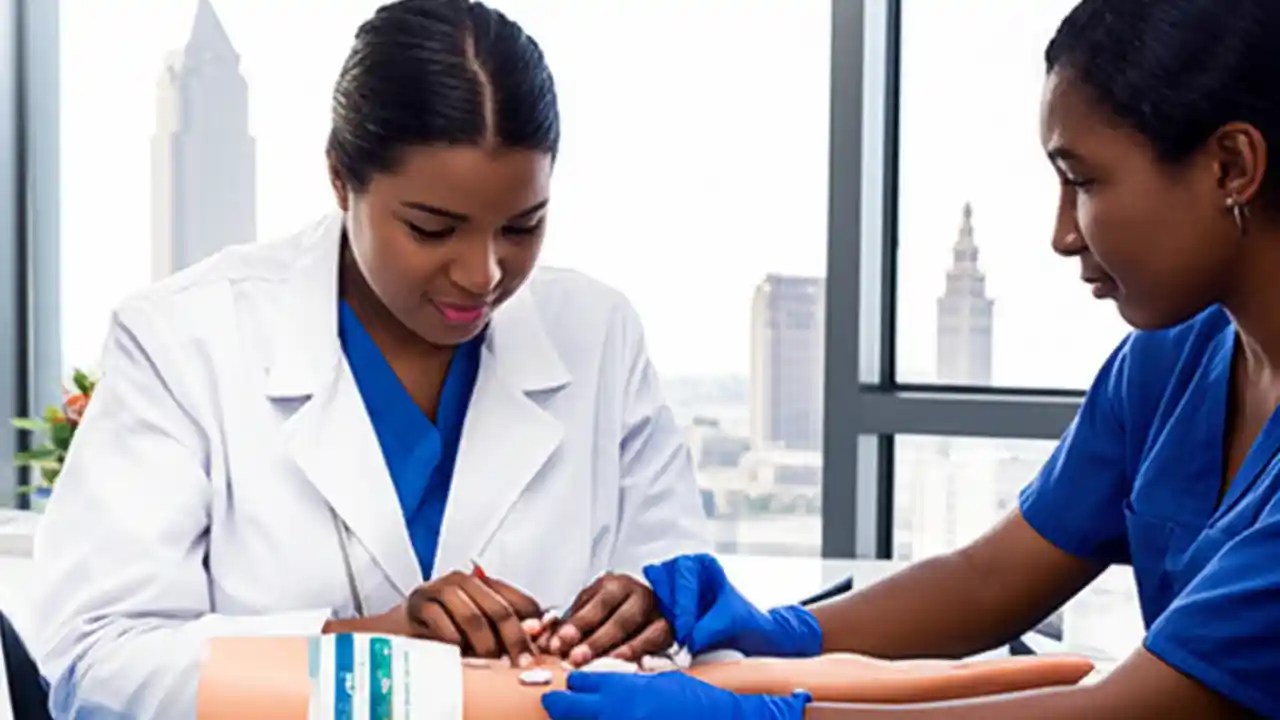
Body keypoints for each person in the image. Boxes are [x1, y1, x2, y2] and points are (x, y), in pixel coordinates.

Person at [543, 0, 1280, 718]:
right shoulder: (1167, 367)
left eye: (1083, 182)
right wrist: (787, 632)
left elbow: (1136, 709)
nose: (1063, 234)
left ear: (1230, 165)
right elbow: (988, 581)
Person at [29, 1, 709, 717]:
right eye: (431, 228)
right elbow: (97, 663)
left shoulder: (599, 333)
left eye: (521, 226)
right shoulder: (184, 339)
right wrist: (370, 649)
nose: (482, 274)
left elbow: (691, 605)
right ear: (339, 180)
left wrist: (657, 611)